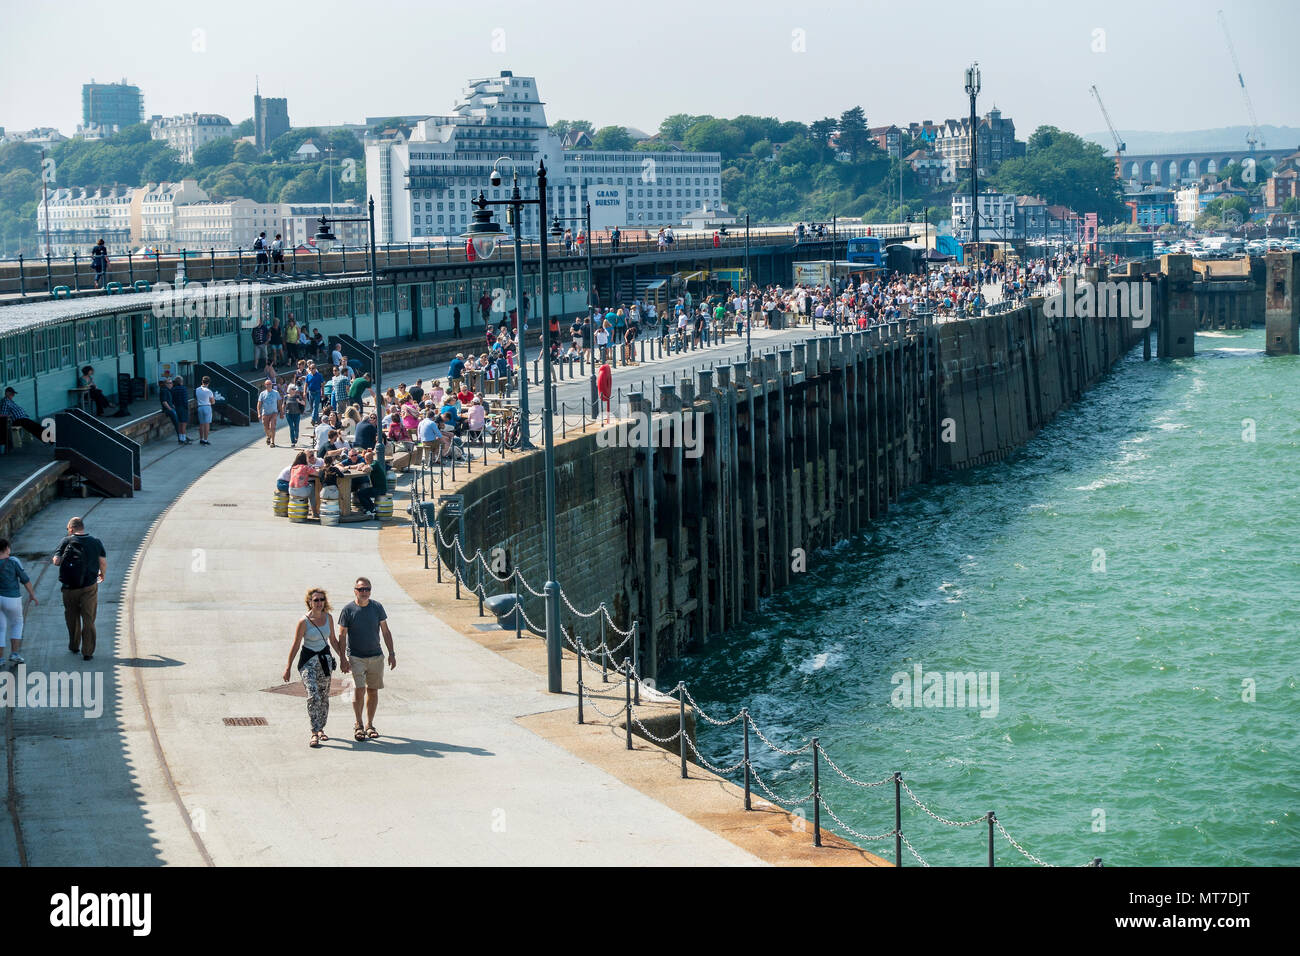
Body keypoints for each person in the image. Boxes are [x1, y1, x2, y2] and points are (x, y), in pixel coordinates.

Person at [338, 577, 395, 741]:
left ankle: (370, 725)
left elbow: (385, 631)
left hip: (376, 655)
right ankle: (358, 724)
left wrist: (391, 653)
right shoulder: (348, 610)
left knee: (373, 690)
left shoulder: (377, 607)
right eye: (361, 589)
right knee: (359, 690)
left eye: (367, 589)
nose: (364, 592)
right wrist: (343, 658)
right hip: (356, 656)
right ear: (355, 590)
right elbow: (342, 635)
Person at [283, 587, 341, 748]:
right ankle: (314, 732)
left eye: (322, 600)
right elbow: (295, 645)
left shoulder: (328, 618)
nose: (319, 603)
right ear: (309, 602)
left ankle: (321, 728)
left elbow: (334, 640)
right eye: (316, 600)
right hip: (308, 661)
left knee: (323, 696)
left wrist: (343, 658)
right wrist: (288, 667)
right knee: (313, 694)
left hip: (324, 660)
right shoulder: (304, 621)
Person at [52, 516, 106, 661]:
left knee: (72, 616)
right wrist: (102, 574)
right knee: (88, 619)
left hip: (69, 587)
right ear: (82, 527)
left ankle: (74, 645)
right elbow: (102, 561)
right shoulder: (95, 542)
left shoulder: (66, 541)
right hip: (89, 586)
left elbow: (56, 561)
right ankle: (87, 651)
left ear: (71, 528)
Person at [0, 538, 37, 666]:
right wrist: (32, 595)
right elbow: (25, 580)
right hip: (12, 598)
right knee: (17, 623)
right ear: (6, 549)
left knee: (1, 628)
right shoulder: (13, 562)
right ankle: (14, 653)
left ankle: (0, 659)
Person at [257, 378, 283, 447]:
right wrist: (259, 413)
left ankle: (272, 442)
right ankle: (268, 436)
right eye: (267, 384)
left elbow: (279, 402)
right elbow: (259, 404)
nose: (269, 385)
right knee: (266, 427)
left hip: (274, 412)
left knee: (273, 427)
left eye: (270, 384)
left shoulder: (276, 393)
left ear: (272, 385)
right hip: (265, 413)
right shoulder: (262, 394)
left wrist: (281, 412)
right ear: (265, 385)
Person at [159, 377, 185, 444]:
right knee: (177, 423)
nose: (171, 384)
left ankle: (182, 436)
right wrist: (170, 409)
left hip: (171, 408)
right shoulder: (164, 390)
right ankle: (180, 438)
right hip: (167, 410)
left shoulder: (168, 390)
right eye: (169, 383)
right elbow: (164, 402)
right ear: (165, 384)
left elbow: (170, 401)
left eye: (172, 383)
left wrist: (173, 406)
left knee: (179, 420)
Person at [194, 375, 215, 445]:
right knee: (207, 424)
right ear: (208, 383)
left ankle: (201, 439)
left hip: (200, 407)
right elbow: (213, 402)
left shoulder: (197, 389)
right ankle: (205, 440)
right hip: (207, 407)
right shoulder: (209, 391)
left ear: (202, 381)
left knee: (201, 424)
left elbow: (196, 398)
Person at [170, 377, 191, 444]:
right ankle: (184, 439)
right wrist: (187, 407)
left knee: (179, 424)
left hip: (176, 407)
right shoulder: (183, 389)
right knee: (184, 424)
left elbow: (172, 399)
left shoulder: (173, 389)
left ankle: (180, 438)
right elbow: (185, 400)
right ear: (181, 381)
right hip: (183, 407)